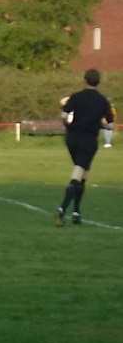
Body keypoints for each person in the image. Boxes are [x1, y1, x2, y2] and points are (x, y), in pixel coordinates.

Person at [55, 68, 115, 226]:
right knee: (78, 174)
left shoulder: (76, 96)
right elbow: (110, 122)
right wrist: (101, 124)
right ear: (99, 82)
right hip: (88, 140)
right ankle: (62, 209)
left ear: (85, 80)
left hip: (72, 138)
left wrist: (68, 126)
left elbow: (63, 116)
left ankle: (76, 212)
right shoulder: (103, 101)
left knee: (83, 174)